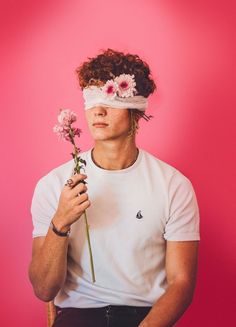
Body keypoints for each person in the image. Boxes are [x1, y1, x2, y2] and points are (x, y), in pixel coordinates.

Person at [28, 48, 200, 327]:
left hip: (144, 319)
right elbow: (44, 290)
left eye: (110, 97)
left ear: (136, 107)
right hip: (78, 318)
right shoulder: (55, 185)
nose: (98, 109)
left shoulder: (173, 186)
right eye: (91, 97)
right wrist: (60, 221)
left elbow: (181, 283)